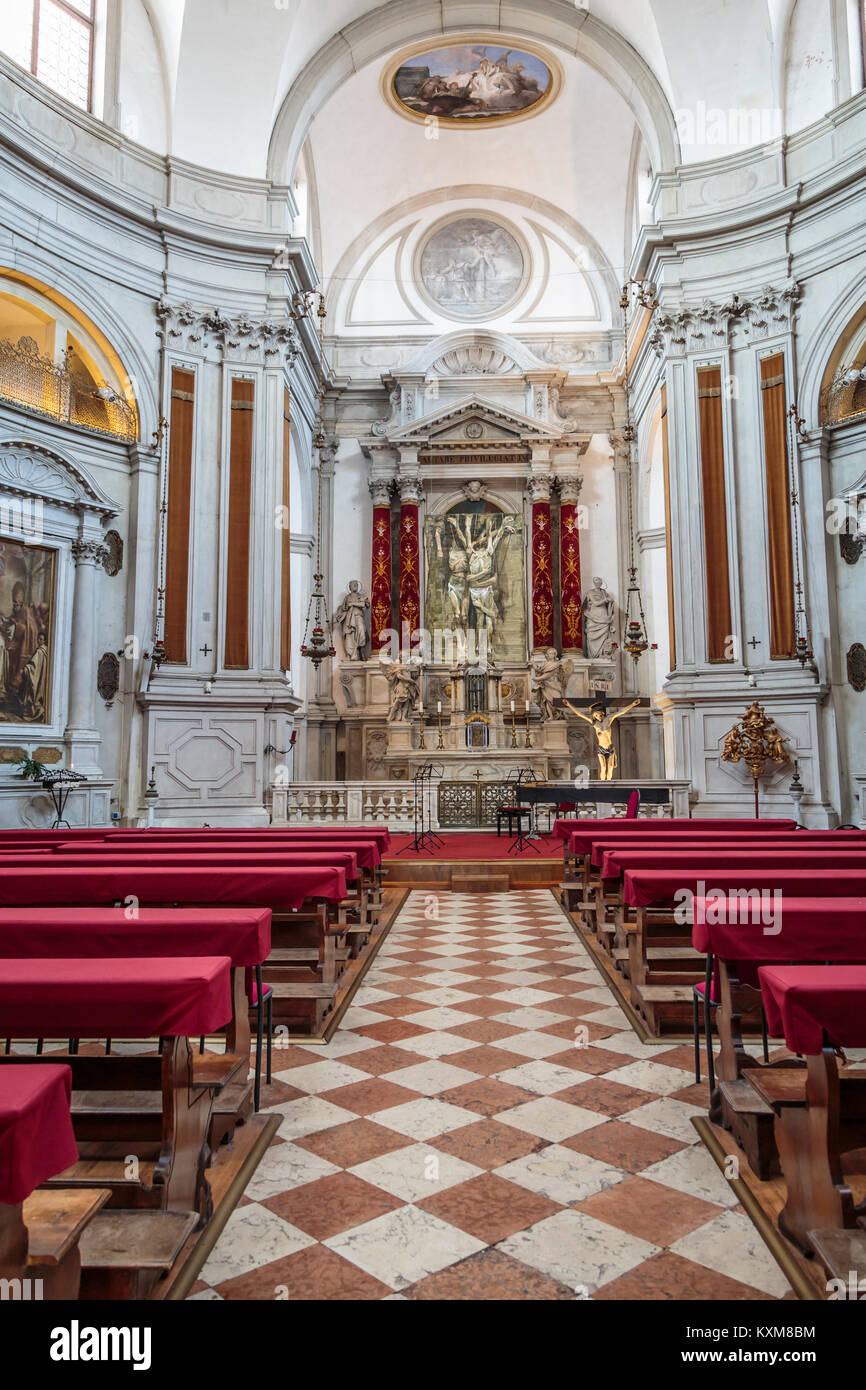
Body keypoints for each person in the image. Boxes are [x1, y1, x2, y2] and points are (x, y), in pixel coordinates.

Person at [563, 698, 640, 781]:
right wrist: (569, 705)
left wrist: (632, 705)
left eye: (598, 715)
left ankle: (608, 785)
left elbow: (621, 712)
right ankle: (603, 785)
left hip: (610, 748)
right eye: (595, 716)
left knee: (610, 769)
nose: (597, 717)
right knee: (603, 768)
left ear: (602, 713)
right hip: (601, 749)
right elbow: (580, 714)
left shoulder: (608, 719)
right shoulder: (595, 723)